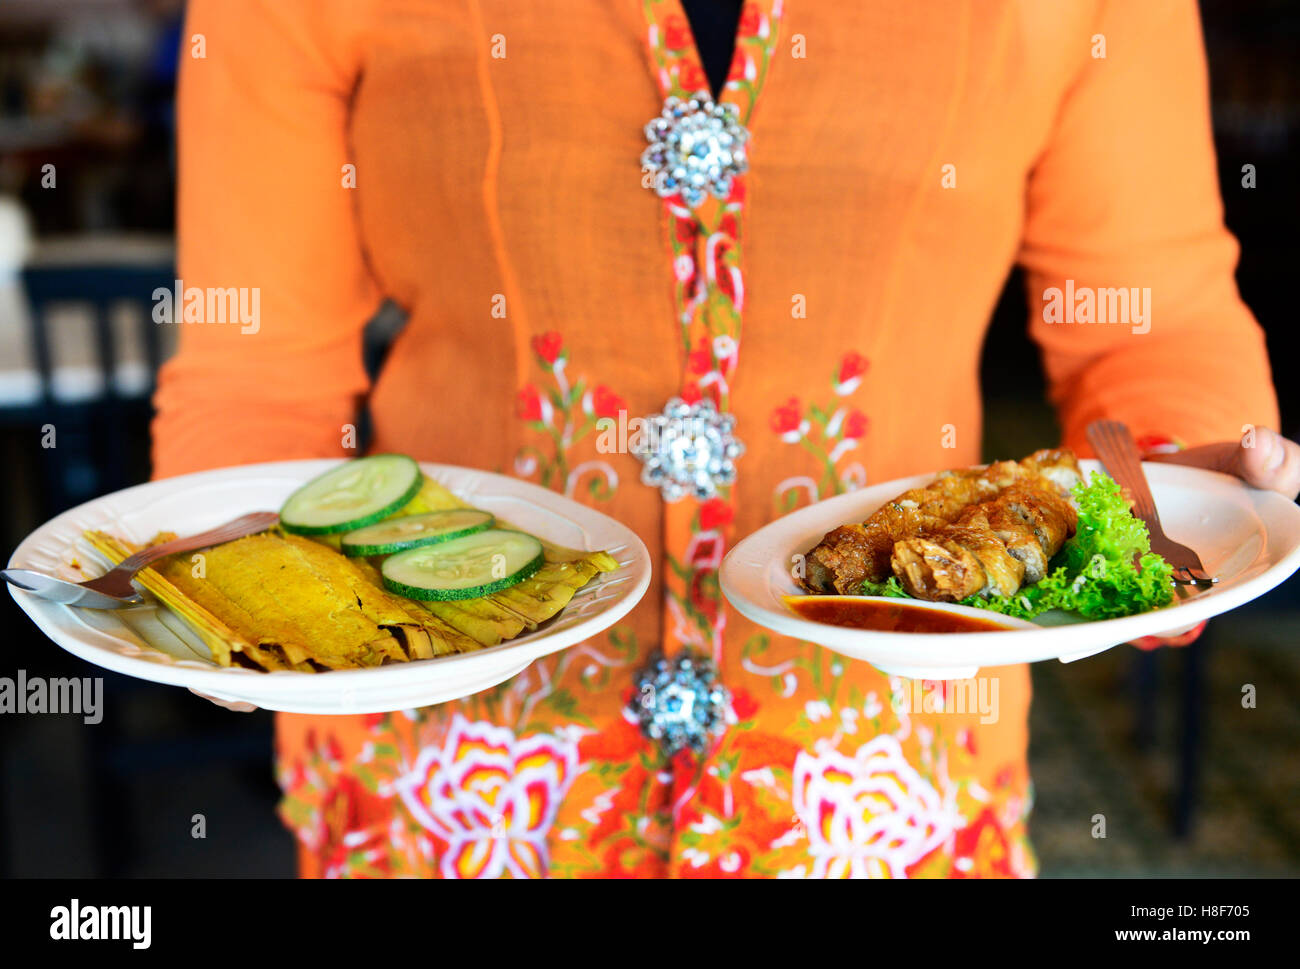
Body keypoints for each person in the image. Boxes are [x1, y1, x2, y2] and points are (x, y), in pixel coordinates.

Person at [152, 0, 1300, 878]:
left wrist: (1177, 494)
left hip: (878, 788)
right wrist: (231, 588)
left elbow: (1147, 314)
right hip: (452, 781)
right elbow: (259, 353)